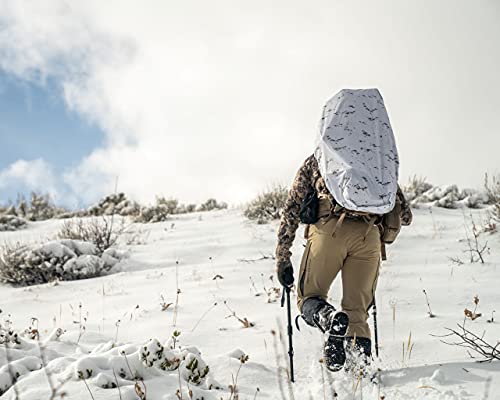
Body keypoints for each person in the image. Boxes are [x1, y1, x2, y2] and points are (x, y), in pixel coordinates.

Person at [275, 88, 412, 372]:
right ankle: (360, 374)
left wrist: (282, 255)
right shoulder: (377, 165)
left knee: (308, 297)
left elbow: (291, 208)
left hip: (329, 234)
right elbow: (405, 214)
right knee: (358, 312)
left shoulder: (319, 160)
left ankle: (327, 319)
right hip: (369, 238)